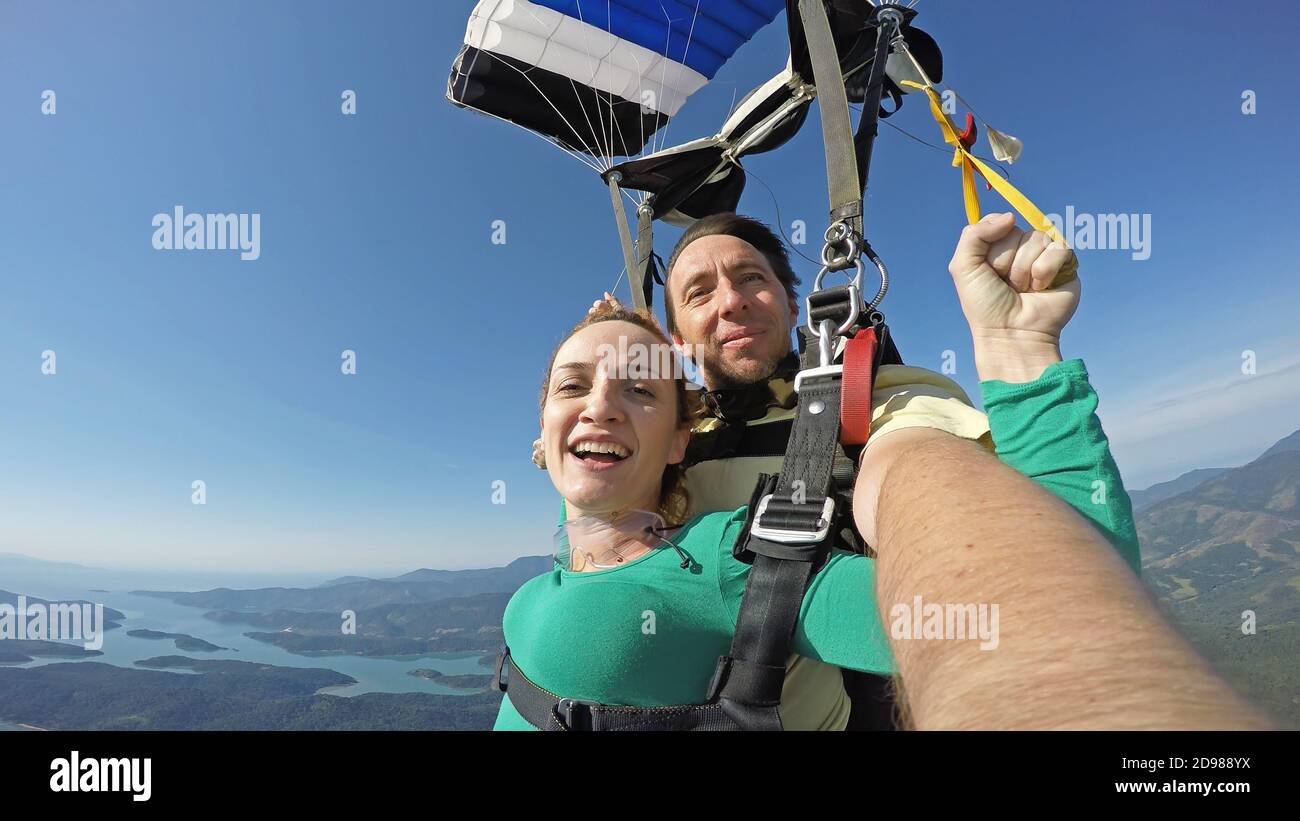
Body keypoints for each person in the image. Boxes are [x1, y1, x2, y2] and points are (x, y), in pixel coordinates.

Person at [497, 302, 1268, 730]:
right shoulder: (542, 585)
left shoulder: (726, 563)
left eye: (639, 390)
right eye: (573, 385)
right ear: (540, 434)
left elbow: (1034, 621)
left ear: (676, 444)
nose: (599, 403)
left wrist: (1027, 372)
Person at [551, 211, 1141, 729]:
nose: (731, 301)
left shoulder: (871, 401)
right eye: (700, 293)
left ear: (791, 301)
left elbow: (922, 474)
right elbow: (595, 497)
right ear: (678, 339)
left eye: (752, 278)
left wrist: (1021, 354)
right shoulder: (669, 432)